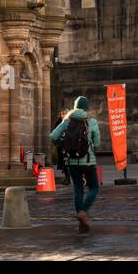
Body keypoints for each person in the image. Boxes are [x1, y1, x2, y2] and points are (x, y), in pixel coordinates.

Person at [51, 95, 102, 232]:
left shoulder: (67, 121)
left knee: (78, 190)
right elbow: (97, 142)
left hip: (71, 162)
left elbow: (53, 136)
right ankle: (83, 212)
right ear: (86, 108)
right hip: (88, 161)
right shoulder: (91, 121)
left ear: (74, 107)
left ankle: (82, 224)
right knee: (94, 188)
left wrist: (62, 145)